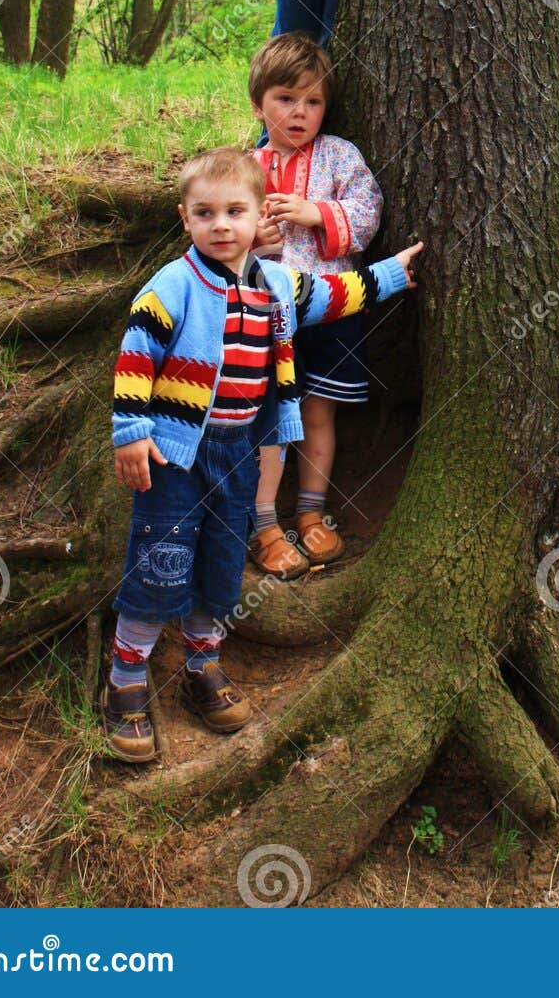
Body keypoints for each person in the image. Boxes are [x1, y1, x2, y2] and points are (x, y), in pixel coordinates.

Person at [102, 145, 421, 764]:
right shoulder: (172, 286)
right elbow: (136, 354)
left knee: (222, 566)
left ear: (258, 219)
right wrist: (132, 431)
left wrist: (390, 275)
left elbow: (332, 294)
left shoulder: (276, 283)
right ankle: (126, 679)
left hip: (240, 454)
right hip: (174, 456)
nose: (221, 226)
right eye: (205, 213)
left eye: (235, 212)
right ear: (185, 218)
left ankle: (202, 664)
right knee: (161, 561)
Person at [246, 34, 384, 580]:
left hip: (331, 310)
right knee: (267, 414)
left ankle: (310, 513)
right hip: (263, 318)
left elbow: (368, 213)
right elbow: (218, 229)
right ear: (258, 104)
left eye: (313, 101)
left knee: (317, 412)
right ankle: (263, 524)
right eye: (286, 99)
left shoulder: (339, 156)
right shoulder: (245, 167)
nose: (300, 112)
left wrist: (315, 213)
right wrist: (252, 238)